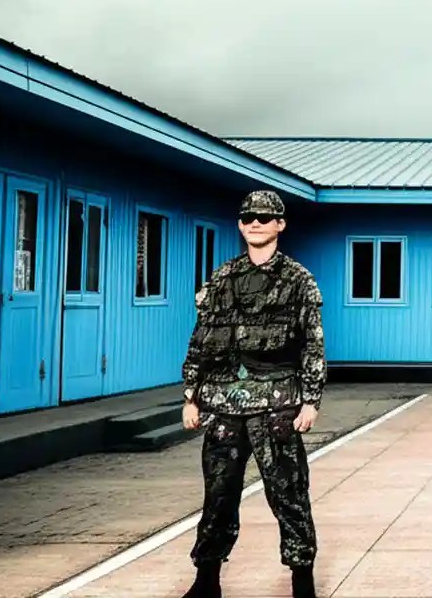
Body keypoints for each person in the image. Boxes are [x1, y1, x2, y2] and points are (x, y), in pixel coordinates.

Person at [179, 189, 327, 598]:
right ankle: (206, 581)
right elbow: (202, 339)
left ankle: (302, 582)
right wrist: (190, 395)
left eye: (265, 216)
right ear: (241, 224)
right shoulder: (223, 278)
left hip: (277, 405)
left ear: (281, 224)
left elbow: (312, 343)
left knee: (289, 496)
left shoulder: (298, 280)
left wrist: (311, 399)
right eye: (248, 216)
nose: (255, 222)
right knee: (218, 495)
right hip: (224, 406)